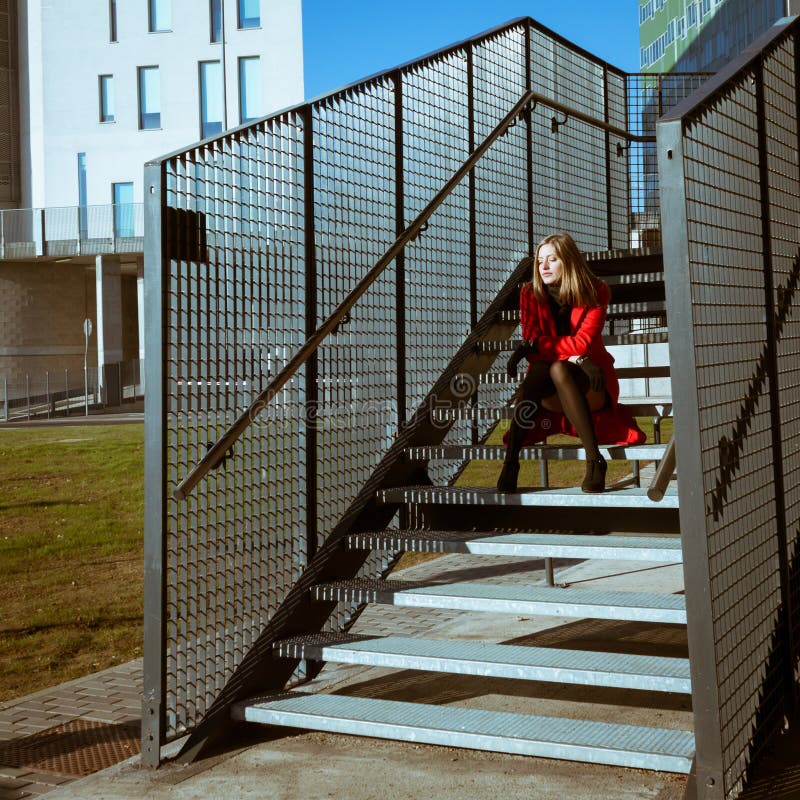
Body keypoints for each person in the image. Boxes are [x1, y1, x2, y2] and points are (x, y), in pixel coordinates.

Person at [497, 232, 634, 494]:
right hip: (549, 388)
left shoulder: (596, 291)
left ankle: (595, 461)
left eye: (552, 260)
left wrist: (560, 351)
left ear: (568, 261)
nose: (544, 267)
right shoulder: (529, 294)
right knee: (542, 368)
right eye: (540, 261)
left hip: (591, 384)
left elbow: (580, 342)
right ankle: (511, 462)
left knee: (556, 368)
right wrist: (573, 356)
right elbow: (534, 346)